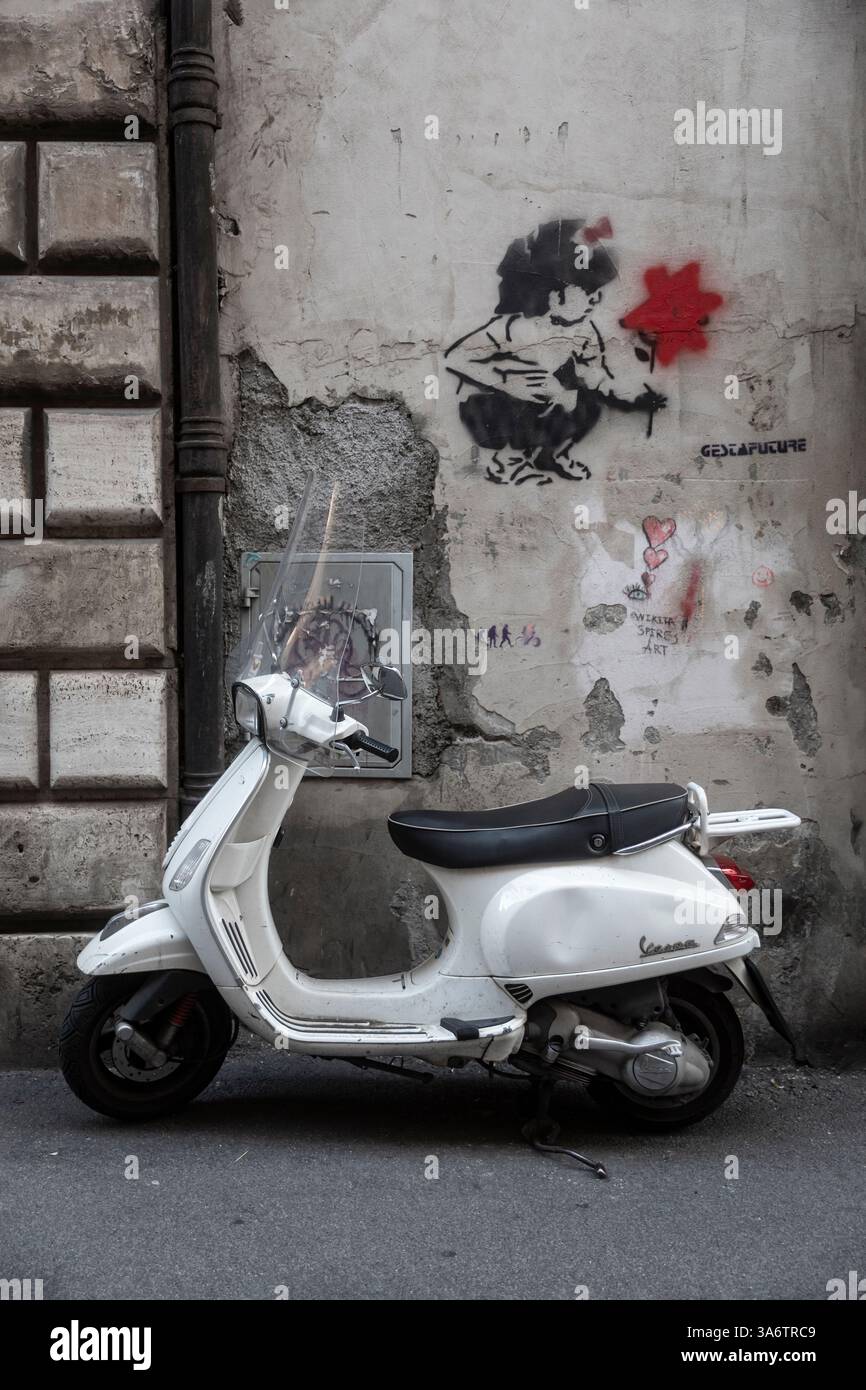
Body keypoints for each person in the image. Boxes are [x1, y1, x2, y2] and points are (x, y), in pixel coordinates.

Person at [445, 218, 665, 485]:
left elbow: (598, 377)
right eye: (587, 292)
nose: (595, 300)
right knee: (522, 402)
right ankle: (505, 461)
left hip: (541, 409)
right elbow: (456, 358)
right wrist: (507, 383)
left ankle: (550, 455)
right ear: (555, 297)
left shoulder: (584, 333)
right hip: (493, 409)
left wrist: (632, 400)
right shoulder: (514, 328)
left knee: (585, 402)